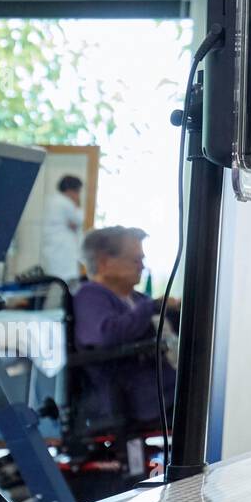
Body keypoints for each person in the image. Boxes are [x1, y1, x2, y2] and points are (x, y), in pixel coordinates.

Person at [72, 226, 178, 428]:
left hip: (160, 387)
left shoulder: (136, 298)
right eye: (136, 260)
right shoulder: (90, 296)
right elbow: (106, 335)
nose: (142, 266)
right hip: (132, 396)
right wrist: (153, 307)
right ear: (104, 262)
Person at [40, 174, 85, 283]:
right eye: (78, 191)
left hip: (57, 251)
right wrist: (77, 204)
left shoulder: (54, 201)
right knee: (64, 284)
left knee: (58, 283)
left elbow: (74, 223)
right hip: (61, 252)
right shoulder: (64, 202)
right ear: (71, 190)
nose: (78, 195)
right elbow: (79, 219)